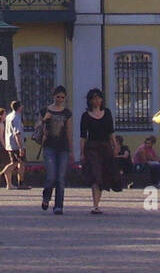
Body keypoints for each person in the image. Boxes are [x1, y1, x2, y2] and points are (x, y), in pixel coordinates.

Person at [80, 88, 116, 214]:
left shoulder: (107, 113)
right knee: (96, 175)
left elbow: (111, 132)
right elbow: (83, 136)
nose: (96, 100)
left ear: (101, 99)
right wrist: (81, 151)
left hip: (105, 148)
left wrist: (115, 145)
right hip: (92, 148)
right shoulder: (85, 116)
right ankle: (95, 205)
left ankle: (97, 203)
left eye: (98, 98)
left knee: (103, 175)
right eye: (93, 98)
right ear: (89, 101)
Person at [38, 86, 73, 214]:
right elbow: (37, 127)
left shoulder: (67, 113)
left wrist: (71, 150)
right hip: (49, 147)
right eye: (58, 96)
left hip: (63, 147)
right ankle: (46, 197)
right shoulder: (45, 111)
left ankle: (59, 205)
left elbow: (69, 131)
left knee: (60, 178)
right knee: (51, 176)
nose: (60, 99)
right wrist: (44, 120)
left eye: (62, 97)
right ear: (53, 96)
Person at [4, 100, 27, 189]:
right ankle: (20, 182)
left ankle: (19, 182)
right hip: (16, 144)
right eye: (22, 106)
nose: (23, 107)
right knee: (19, 163)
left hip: (10, 143)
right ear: (19, 107)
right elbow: (17, 133)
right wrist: (21, 147)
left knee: (17, 162)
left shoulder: (9, 116)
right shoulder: (16, 117)